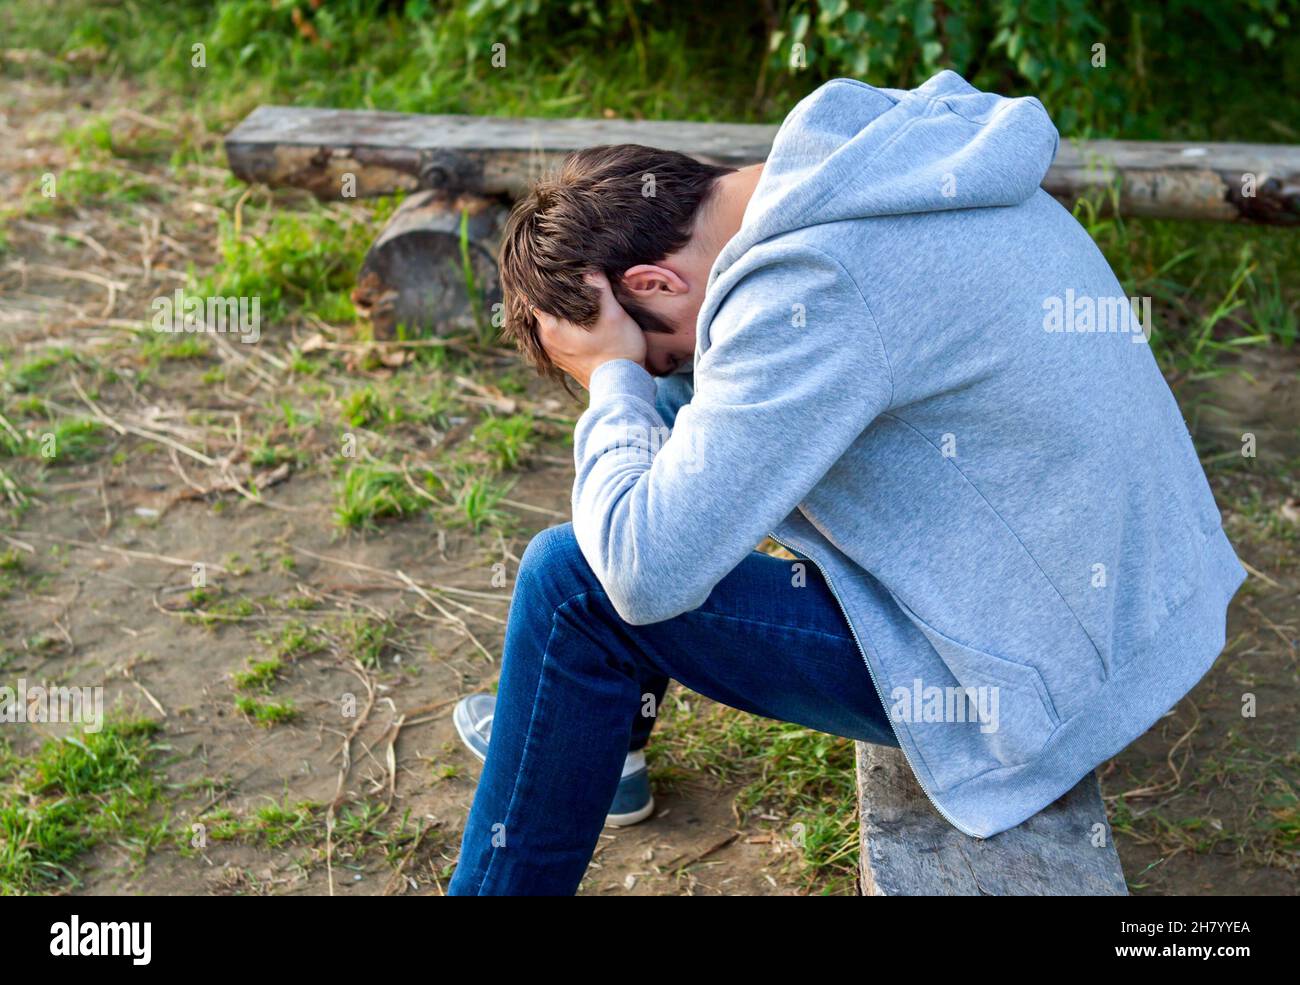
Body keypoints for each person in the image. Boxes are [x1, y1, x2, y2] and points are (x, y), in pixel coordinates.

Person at [446, 70, 1247, 896]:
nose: (659, 370)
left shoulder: (812, 287)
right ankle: (593, 737)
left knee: (574, 587)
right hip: (1132, 597)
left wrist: (616, 380)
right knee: (680, 415)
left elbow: (645, 575)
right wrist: (645, 374)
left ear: (652, 282)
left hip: (1042, 678)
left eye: (655, 348)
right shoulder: (863, 164)